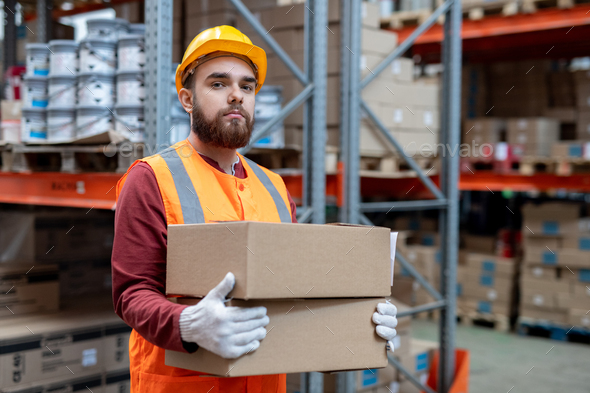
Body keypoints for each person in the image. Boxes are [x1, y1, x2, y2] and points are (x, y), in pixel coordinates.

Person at [111, 25, 398, 393]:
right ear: (186, 99)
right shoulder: (151, 178)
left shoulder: (275, 188)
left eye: (247, 87)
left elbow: (298, 299)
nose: (236, 96)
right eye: (218, 84)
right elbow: (131, 292)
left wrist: (358, 329)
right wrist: (188, 324)